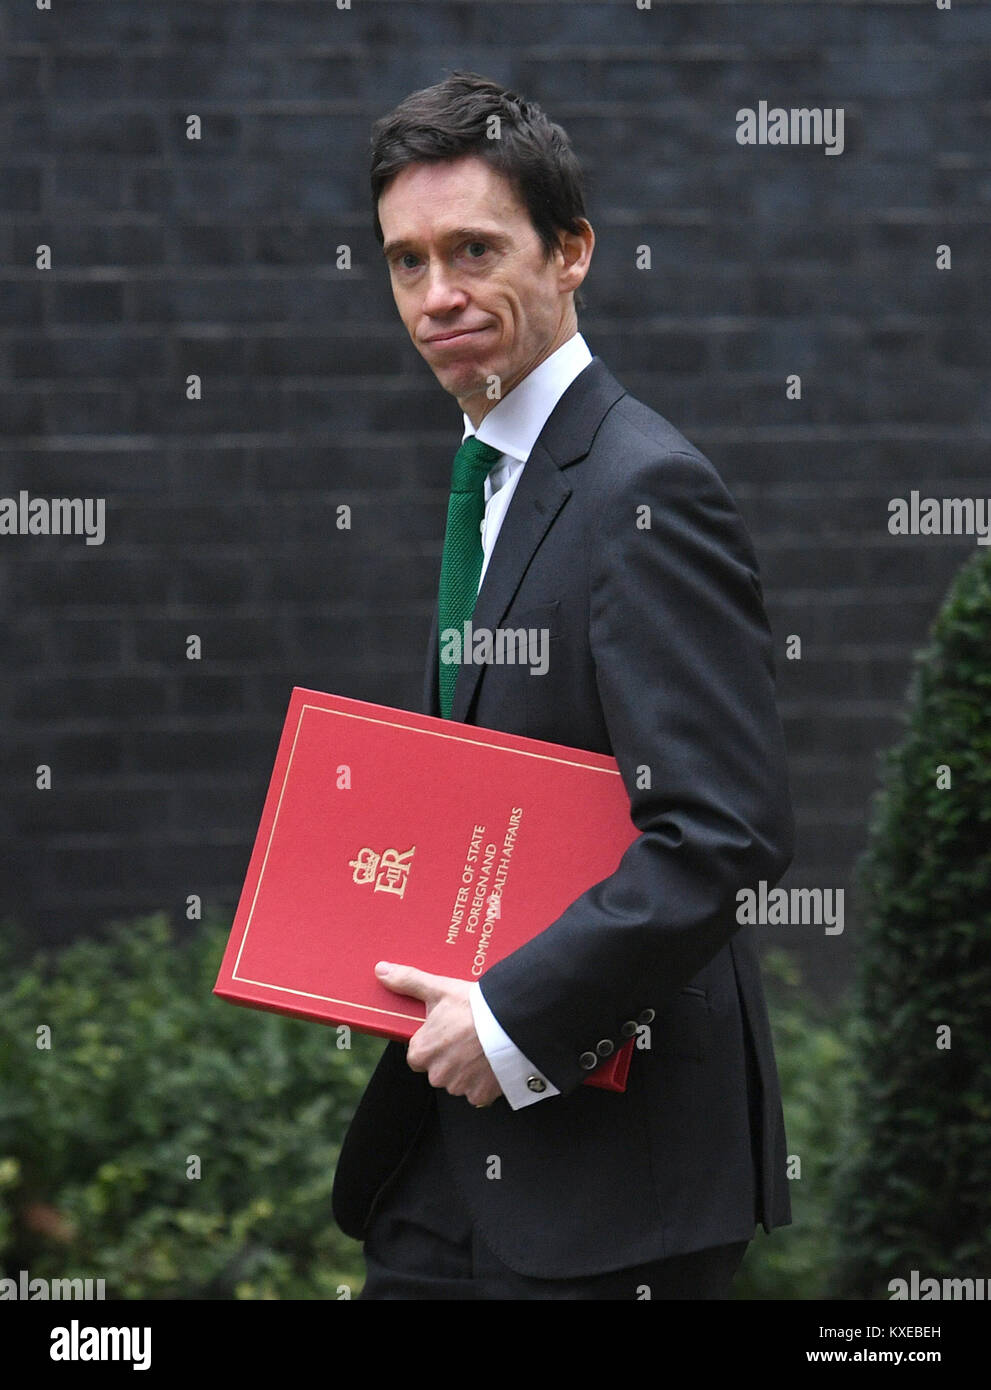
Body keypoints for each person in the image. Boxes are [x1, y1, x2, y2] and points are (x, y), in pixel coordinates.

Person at [331, 71, 795, 1300]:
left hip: (613, 1187)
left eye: (475, 249)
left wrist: (510, 1022)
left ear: (571, 251)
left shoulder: (645, 488)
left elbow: (720, 832)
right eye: (406, 262)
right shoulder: (489, 480)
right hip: (449, 1162)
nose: (439, 297)